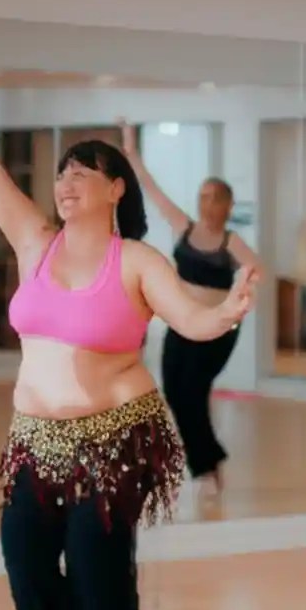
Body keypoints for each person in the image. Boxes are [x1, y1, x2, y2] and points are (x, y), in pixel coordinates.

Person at [0, 22, 256, 610]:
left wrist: (227, 312)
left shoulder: (135, 260)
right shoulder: (32, 241)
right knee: (26, 559)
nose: (65, 182)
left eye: (83, 172)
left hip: (115, 435)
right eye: (60, 172)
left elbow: (190, 318)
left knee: (99, 569)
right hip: (33, 438)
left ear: (115, 190)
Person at [119, 121, 261, 497]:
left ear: (228, 205)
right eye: (203, 195)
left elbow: (255, 272)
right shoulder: (184, 227)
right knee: (175, 392)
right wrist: (131, 150)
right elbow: (152, 190)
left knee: (194, 393)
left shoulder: (232, 242)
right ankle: (208, 459)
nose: (207, 203)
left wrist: (242, 298)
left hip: (215, 331)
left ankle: (207, 468)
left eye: (215, 197)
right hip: (181, 326)